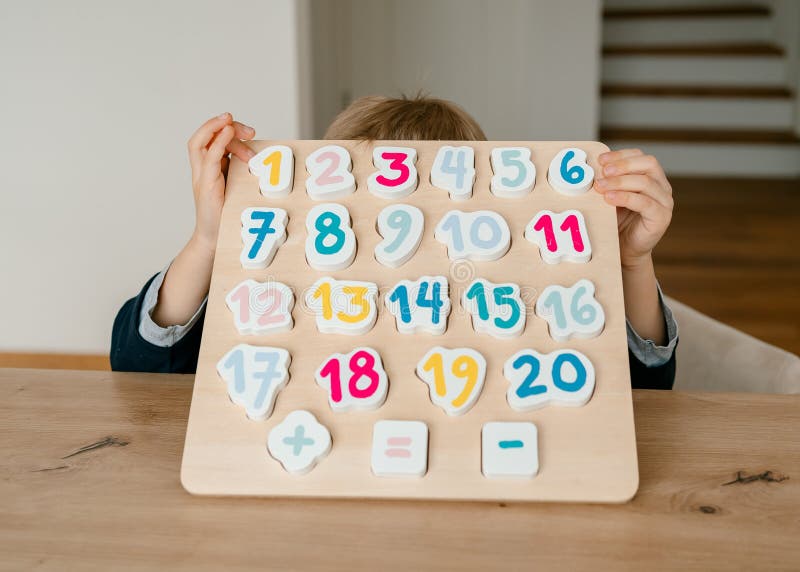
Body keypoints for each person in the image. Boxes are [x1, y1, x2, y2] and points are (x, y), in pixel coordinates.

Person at [110, 95, 677, 389]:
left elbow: (646, 389)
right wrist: (210, 240)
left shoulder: (510, 300)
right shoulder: (285, 291)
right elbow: (136, 368)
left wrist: (631, 261)